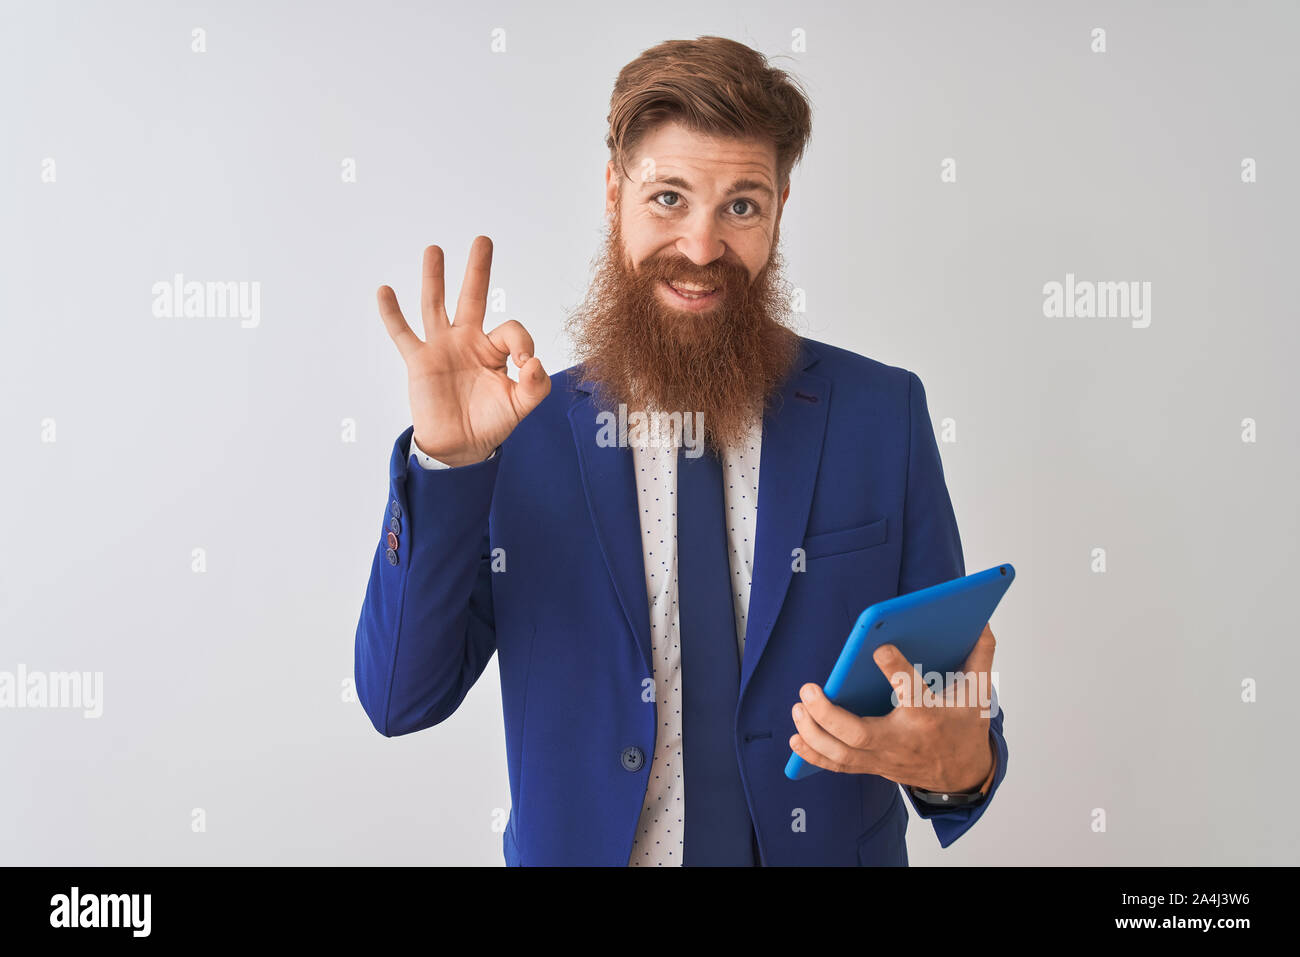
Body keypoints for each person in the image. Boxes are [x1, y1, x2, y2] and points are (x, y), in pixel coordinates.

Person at [355, 35, 1006, 866]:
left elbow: (951, 724)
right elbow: (399, 696)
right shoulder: (521, 434)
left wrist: (960, 768)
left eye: (742, 205)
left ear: (779, 207)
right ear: (612, 194)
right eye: (668, 197)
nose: (702, 248)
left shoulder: (882, 415)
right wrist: (447, 466)